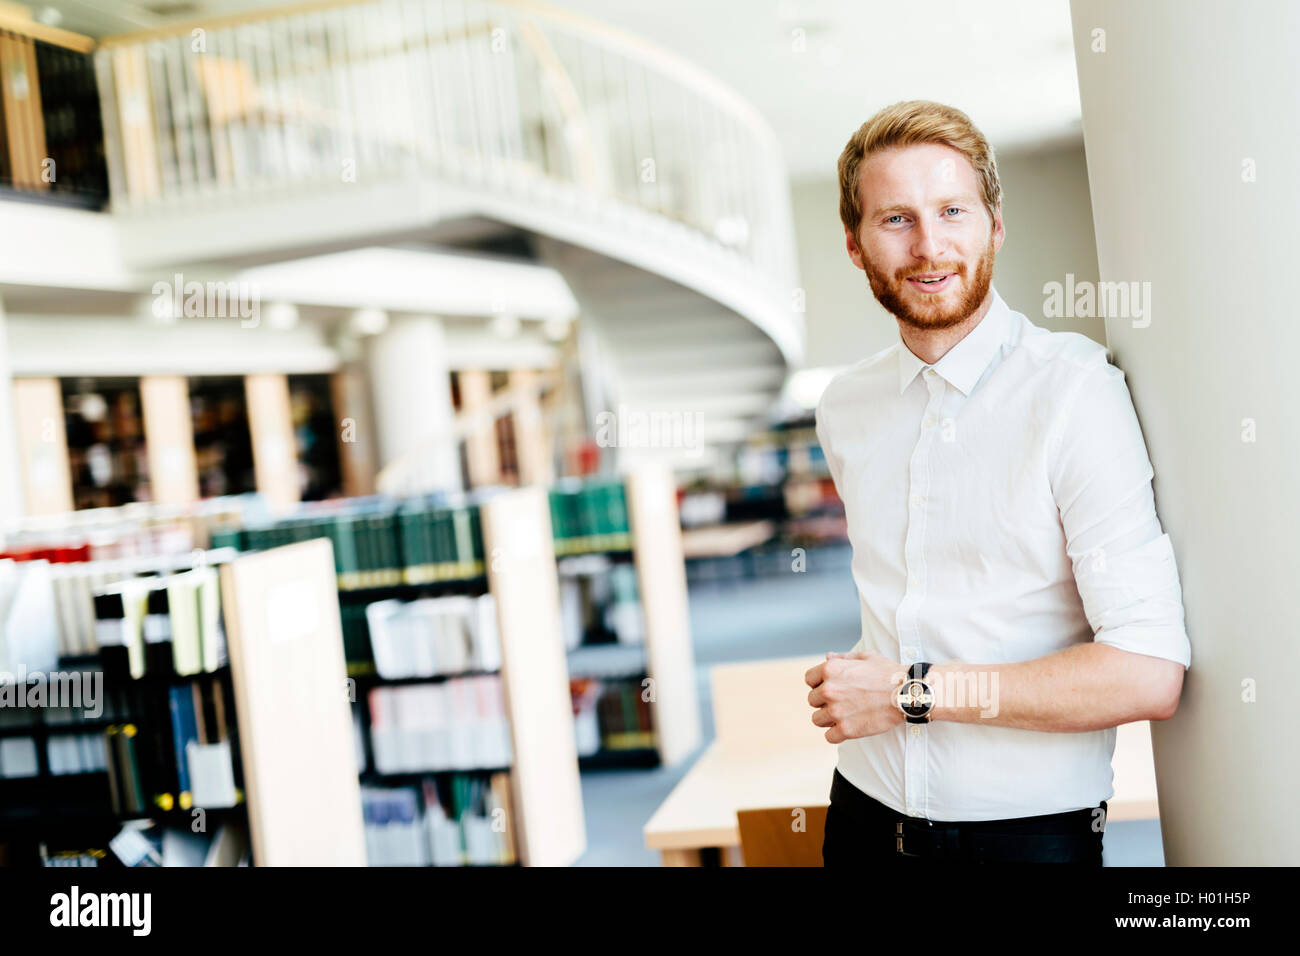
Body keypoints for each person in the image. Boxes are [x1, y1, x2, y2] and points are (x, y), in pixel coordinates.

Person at [809, 100, 1191, 865]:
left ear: (995, 224)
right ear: (855, 246)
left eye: (953, 210)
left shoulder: (1075, 393)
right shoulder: (844, 407)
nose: (929, 245)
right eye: (895, 220)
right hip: (862, 814)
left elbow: (1147, 673)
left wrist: (905, 692)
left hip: (1022, 840)